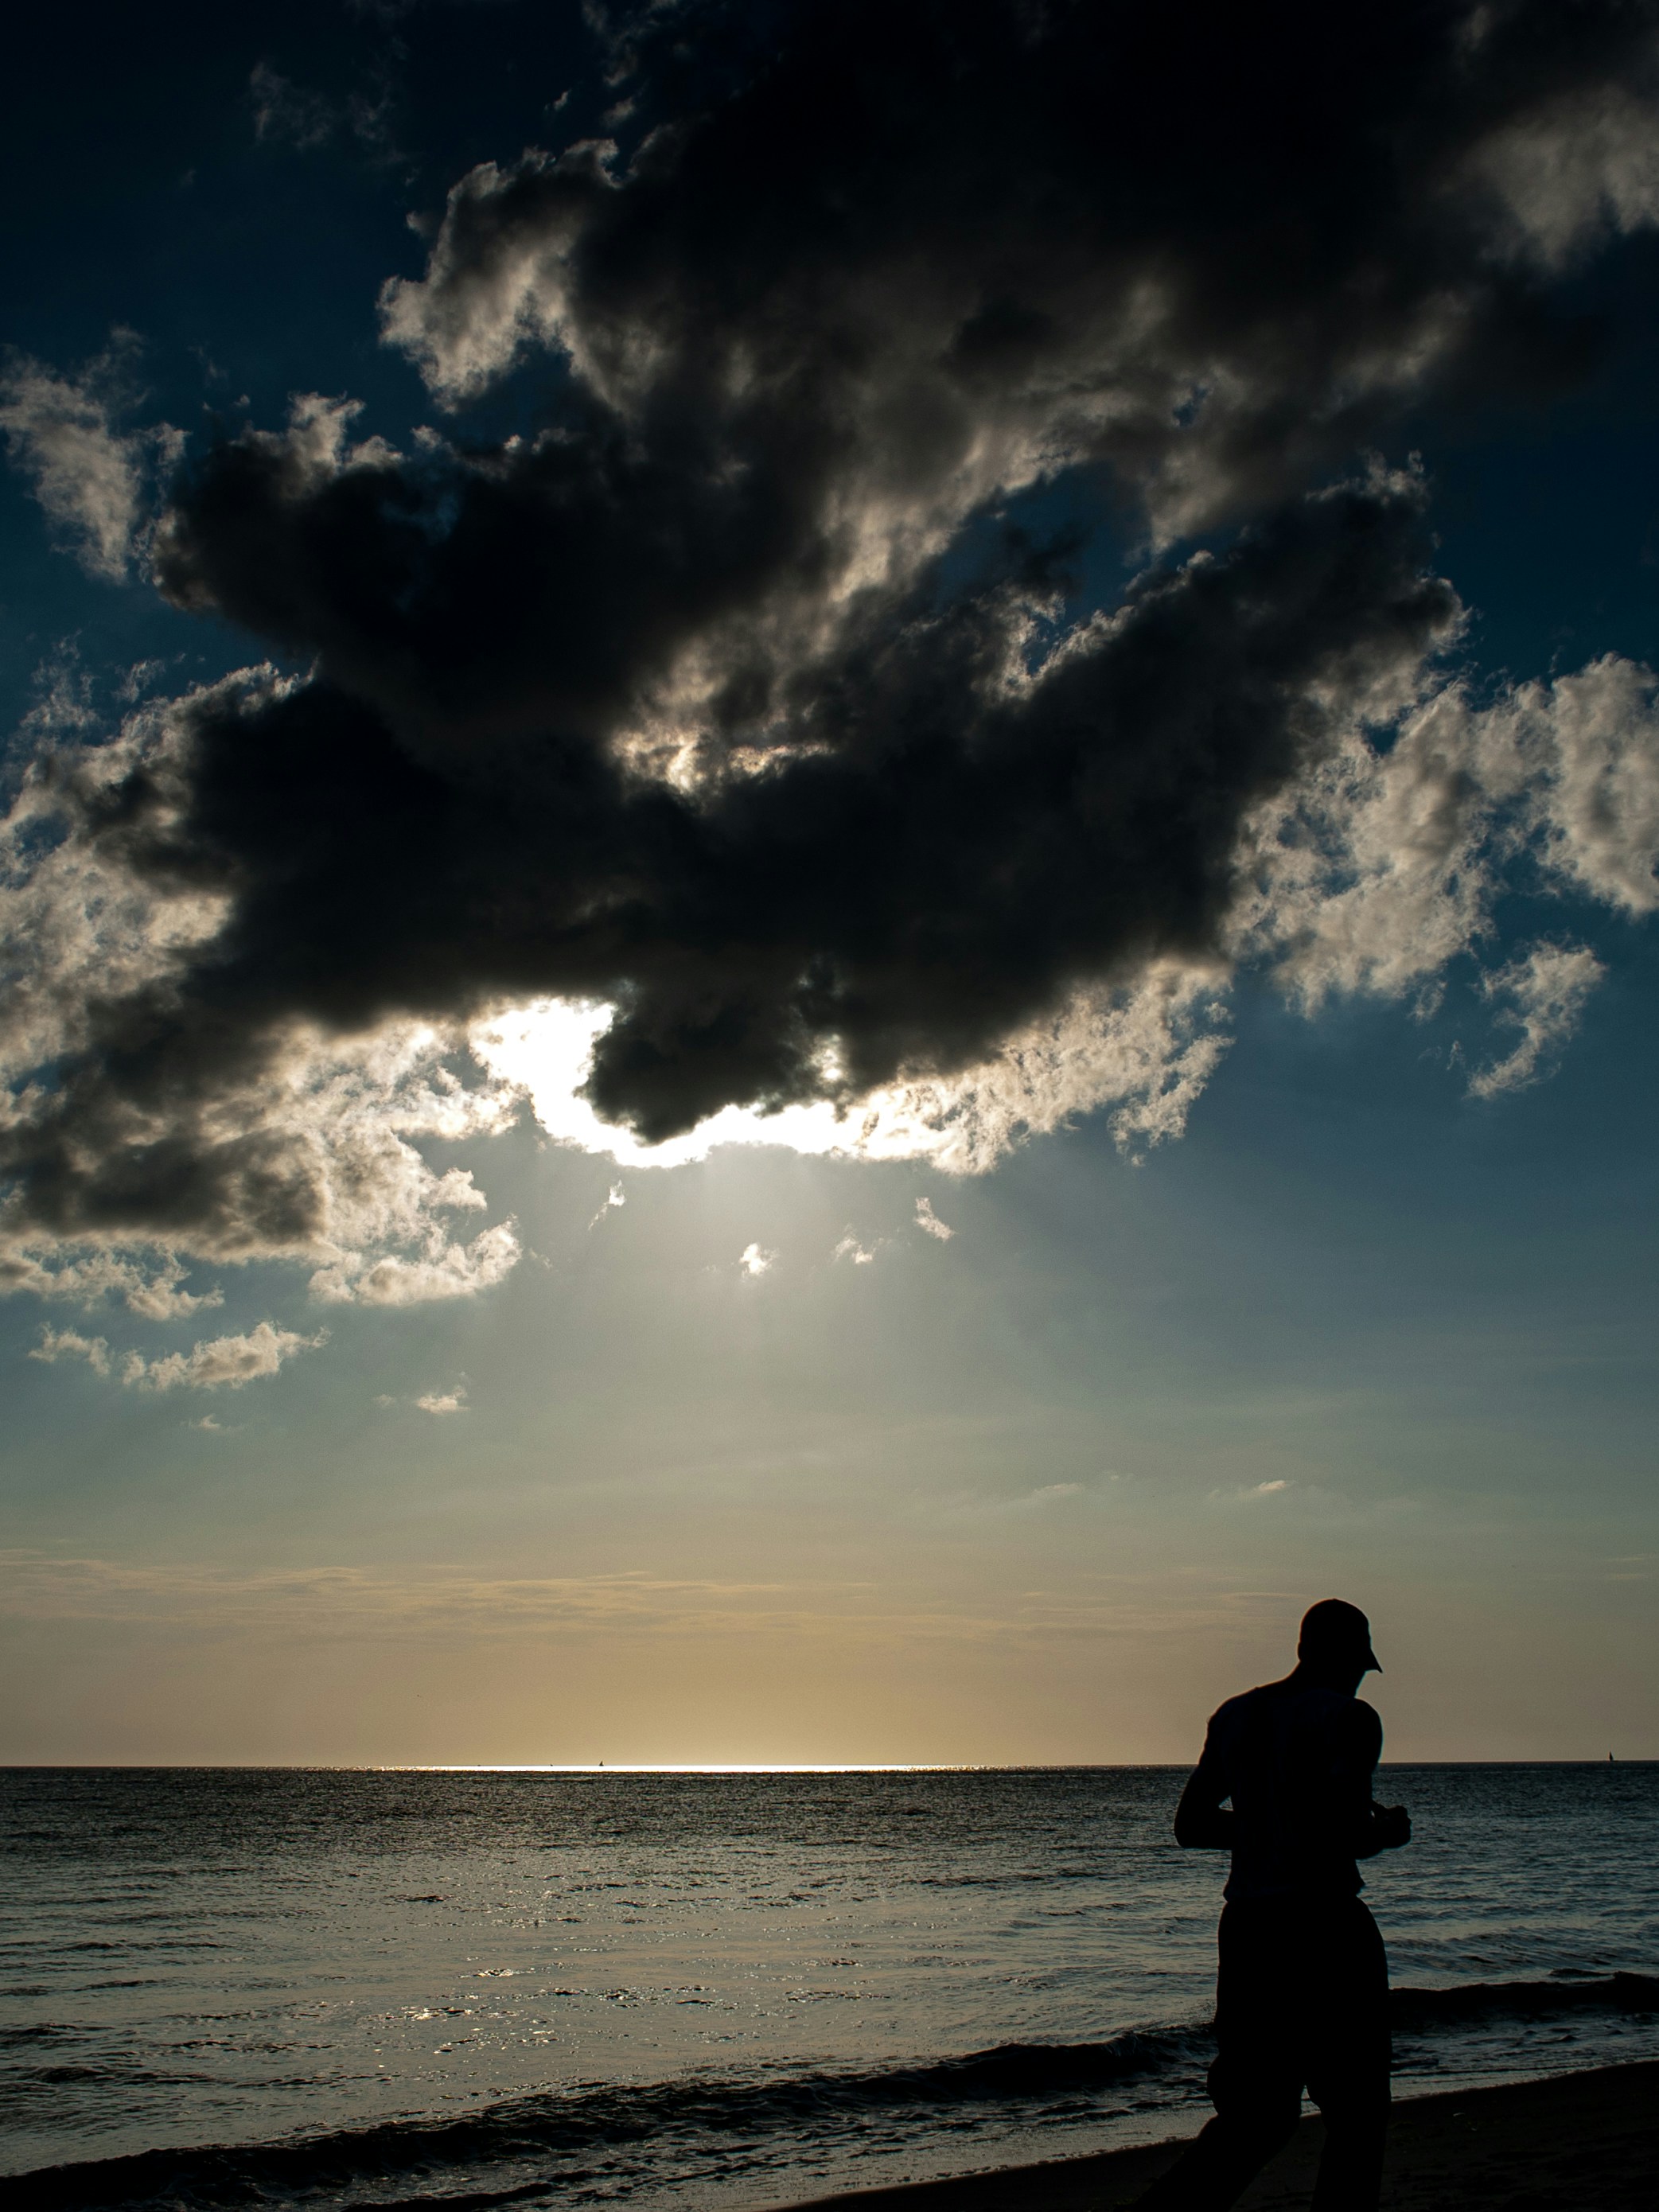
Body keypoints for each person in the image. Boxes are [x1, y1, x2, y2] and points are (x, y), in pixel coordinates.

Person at [1131, 1599, 1411, 2212]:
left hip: (1250, 1928)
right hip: (1324, 1923)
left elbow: (1192, 1826)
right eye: (1360, 1665)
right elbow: (1346, 1834)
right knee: (1357, 2112)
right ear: (1345, 1657)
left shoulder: (1235, 1715)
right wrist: (1388, 1832)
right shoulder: (1350, 1719)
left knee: (1256, 2116)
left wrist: (1266, 1826)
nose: (1360, 1678)